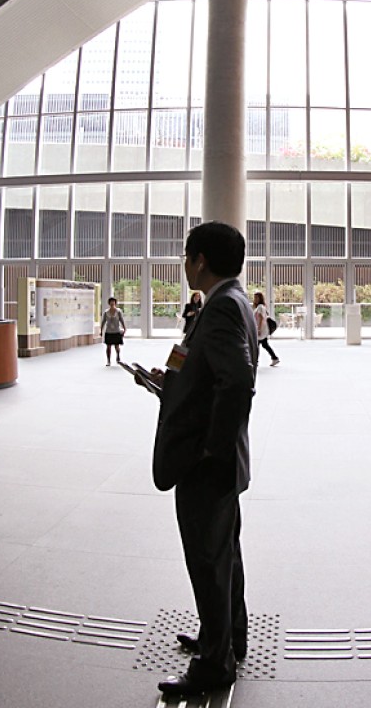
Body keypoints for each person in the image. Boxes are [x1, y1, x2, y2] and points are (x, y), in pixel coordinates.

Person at [140, 222, 257, 698]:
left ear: (201, 260)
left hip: (208, 461)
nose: (184, 264)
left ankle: (214, 664)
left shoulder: (224, 307)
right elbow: (209, 377)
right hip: (219, 459)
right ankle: (226, 637)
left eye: (187, 256)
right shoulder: (230, 302)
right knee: (223, 552)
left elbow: (238, 381)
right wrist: (168, 384)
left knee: (207, 559)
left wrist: (211, 448)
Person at [252, 291, 280, 367]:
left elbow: (261, 318)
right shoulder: (260, 307)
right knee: (264, 345)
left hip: (261, 329)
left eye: (257, 298)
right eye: (255, 298)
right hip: (262, 329)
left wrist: (259, 329)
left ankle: (255, 361)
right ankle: (274, 358)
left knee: (256, 346)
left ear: (260, 298)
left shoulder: (260, 307)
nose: (255, 299)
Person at [100, 297, 126, 366]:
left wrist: (124, 328)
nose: (112, 303)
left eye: (113, 302)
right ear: (109, 303)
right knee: (108, 347)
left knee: (116, 347)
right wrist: (101, 330)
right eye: (111, 302)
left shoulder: (118, 311)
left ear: (115, 303)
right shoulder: (106, 312)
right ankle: (108, 361)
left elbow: (121, 320)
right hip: (108, 332)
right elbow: (103, 322)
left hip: (116, 331)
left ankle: (118, 356)